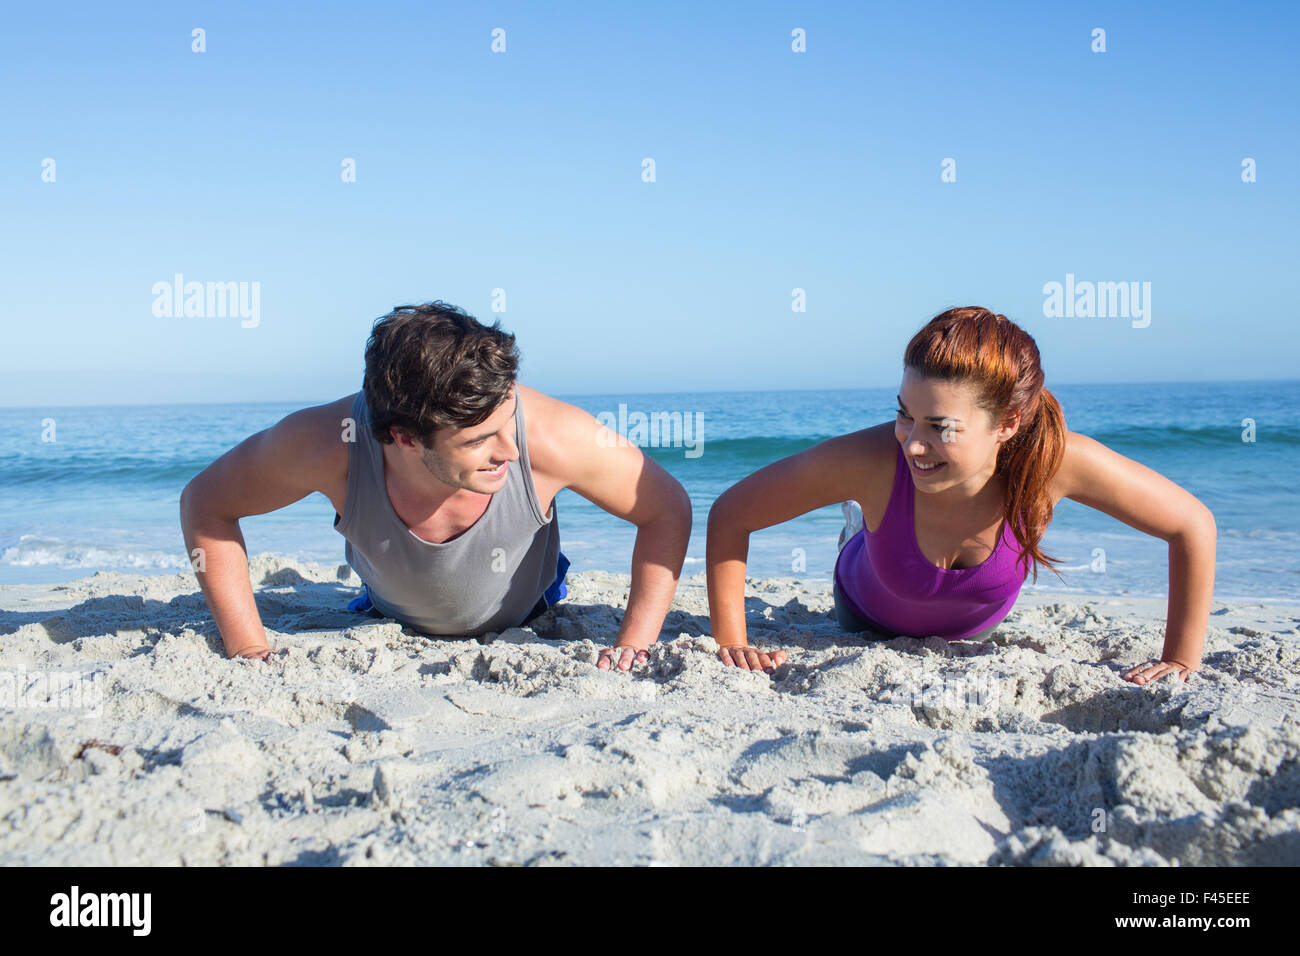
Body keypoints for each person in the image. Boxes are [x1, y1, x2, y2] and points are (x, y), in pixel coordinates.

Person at [705, 306, 1216, 685]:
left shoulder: (1053, 464)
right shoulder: (874, 457)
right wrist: (734, 641)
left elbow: (1191, 525)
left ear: (1008, 423)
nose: (913, 441)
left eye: (940, 425)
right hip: (865, 610)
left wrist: (1180, 658)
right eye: (904, 413)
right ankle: (859, 524)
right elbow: (732, 514)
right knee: (873, 515)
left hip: (971, 630)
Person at [180, 301, 691, 671]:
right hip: (385, 604)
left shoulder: (556, 437)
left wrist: (635, 643)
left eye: (508, 424)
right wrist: (248, 645)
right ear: (403, 436)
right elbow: (206, 502)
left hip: (531, 604)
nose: (510, 452)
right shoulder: (327, 443)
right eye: (480, 440)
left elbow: (666, 508)